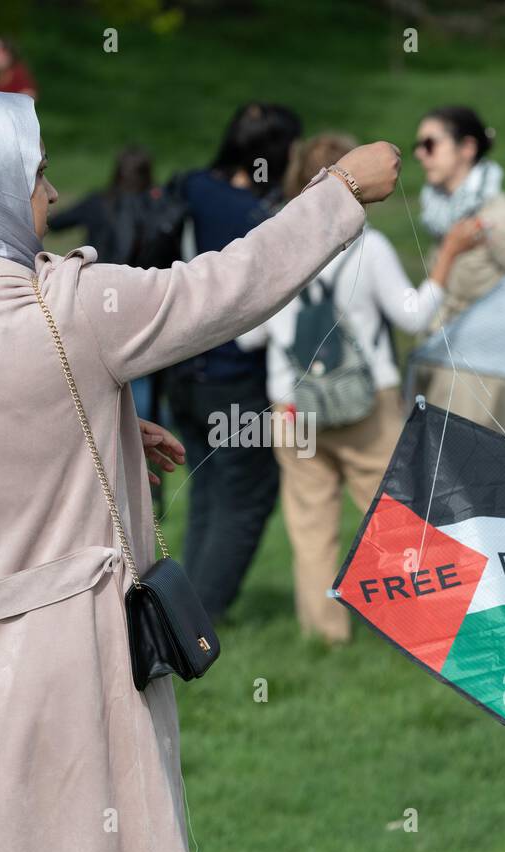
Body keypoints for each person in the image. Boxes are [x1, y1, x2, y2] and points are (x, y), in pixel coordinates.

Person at [0, 88, 399, 852]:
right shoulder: (70, 308)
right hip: (54, 665)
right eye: (36, 175)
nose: (55, 193)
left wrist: (85, 423)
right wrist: (338, 192)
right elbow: (222, 289)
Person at [238, 132, 482, 643]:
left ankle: (325, 634)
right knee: (397, 519)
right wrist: (447, 257)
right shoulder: (370, 248)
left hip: (291, 406)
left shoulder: (272, 242)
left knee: (309, 528)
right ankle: (427, 628)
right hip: (366, 405)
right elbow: (414, 315)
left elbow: (248, 335)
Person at [162, 102, 304, 621]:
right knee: (246, 495)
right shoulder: (264, 216)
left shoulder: (191, 187)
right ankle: (200, 618)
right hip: (235, 379)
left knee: (209, 489)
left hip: (183, 371)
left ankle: (182, 608)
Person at [410, 104, 505, 445]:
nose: (420, 155)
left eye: (429, 145)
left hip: (493, 381)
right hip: (445, 367)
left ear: (467, 148)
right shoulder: (442, 216)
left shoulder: (500, 217)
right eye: (417, 147)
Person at [49, 145, 182, 423]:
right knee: (144, 376)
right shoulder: (162, 208)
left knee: (100, 380)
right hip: (147, 304)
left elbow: (55, 223)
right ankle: (144, 432)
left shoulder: (99, 203)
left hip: (97, 304)